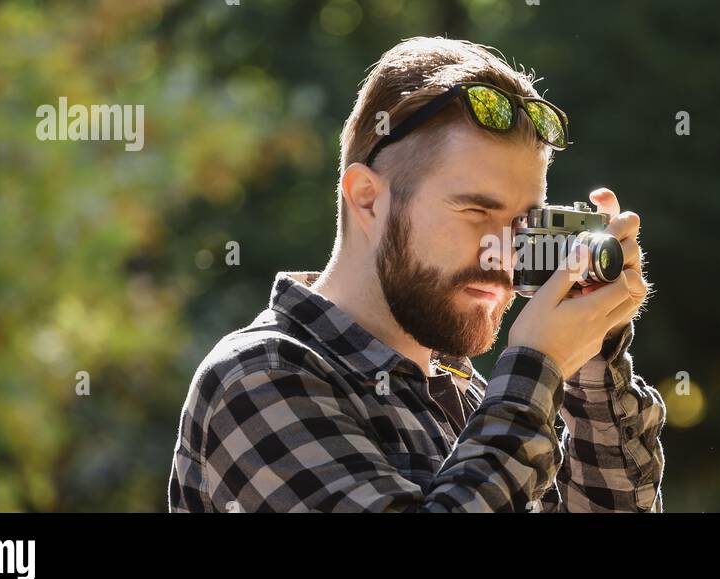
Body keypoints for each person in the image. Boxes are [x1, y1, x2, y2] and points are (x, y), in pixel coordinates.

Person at [168, 37, 665, 512]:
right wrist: (535, 368)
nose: (503, 252)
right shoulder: (261, 378)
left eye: (523, 223)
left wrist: (593, 357)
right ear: (368, 198)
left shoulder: (468, 397)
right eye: (475, 211)